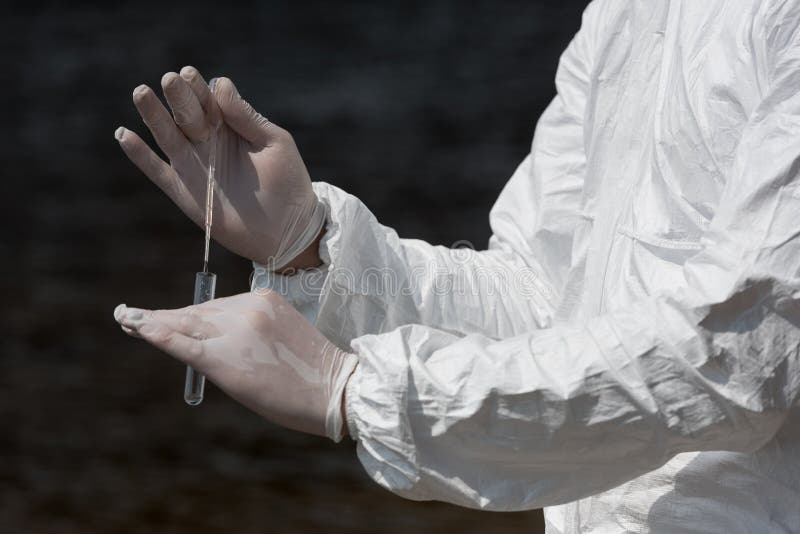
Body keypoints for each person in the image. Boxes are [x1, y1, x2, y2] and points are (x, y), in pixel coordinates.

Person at [113, 0, 800, 531]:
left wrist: (360, 391)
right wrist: (312, 247)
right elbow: (539, 297)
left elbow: (748, 349)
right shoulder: (625, 16)